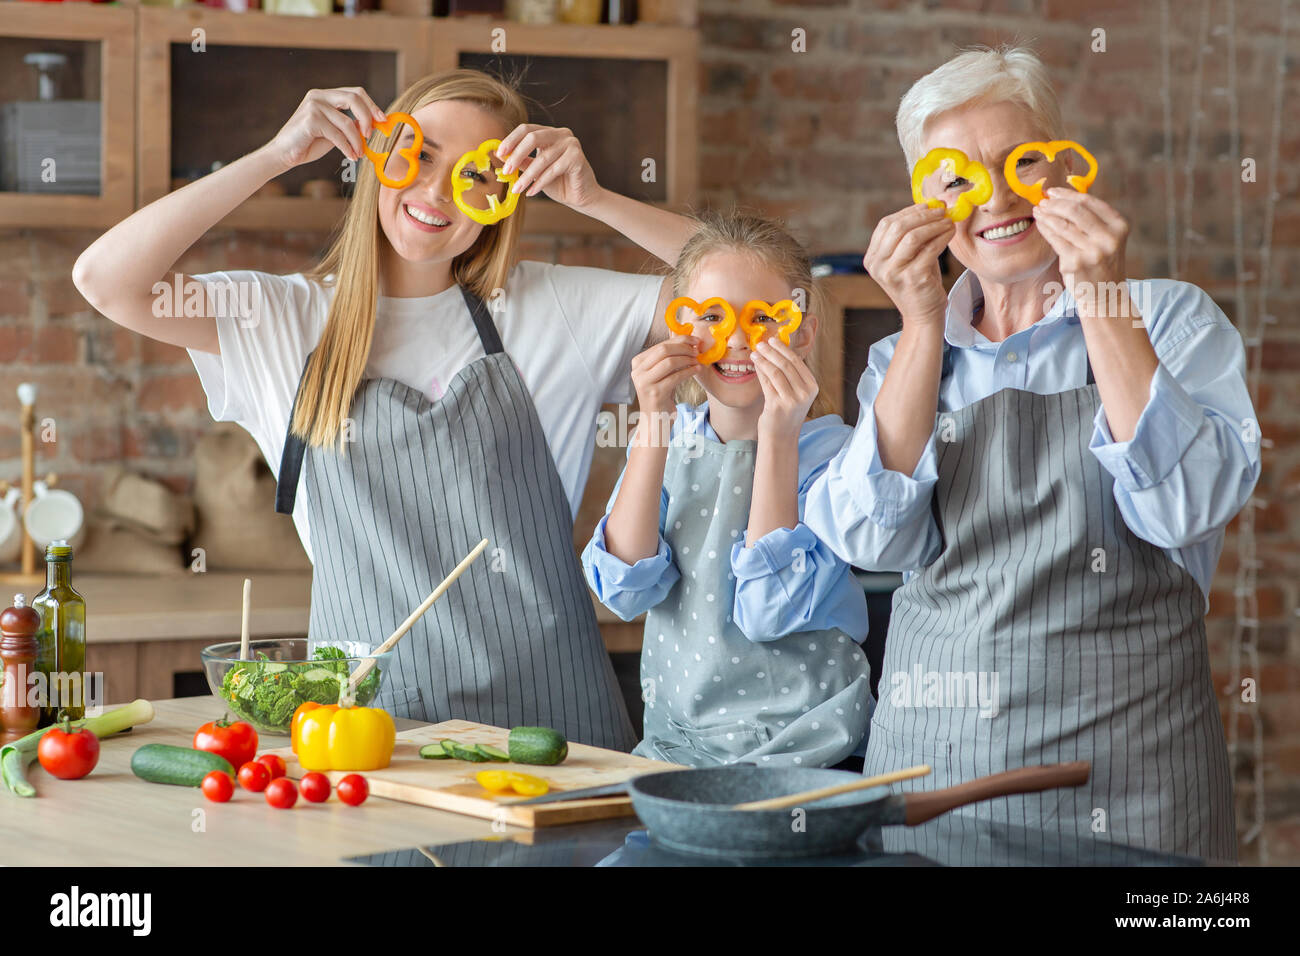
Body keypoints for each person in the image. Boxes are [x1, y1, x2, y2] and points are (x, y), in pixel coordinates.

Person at [73, 69, 696, 751]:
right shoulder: (284, 319)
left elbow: (767, 297)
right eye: (418, 153)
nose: (432, 191)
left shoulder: (557, 310)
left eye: (473, 173)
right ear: (373, 155)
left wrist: (597, 198)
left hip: (556, 739)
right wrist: (278, 155)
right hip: (372, 741)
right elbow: (104, 280)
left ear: (505, 194)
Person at [803, 47, 1258, 860]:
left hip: (1133, 777)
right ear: (926, 202)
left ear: (1066, 165)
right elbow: (868, 541)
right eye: (958, 178)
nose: (1000, 197)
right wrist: (917, 327)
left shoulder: (1171, 321)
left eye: (1022, 161)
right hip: (933, 771)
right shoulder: (906, 359)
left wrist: (1103, 297)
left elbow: (1185, 506)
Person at [583, 212, 873, 768]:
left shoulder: (836, 457)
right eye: (712, 316)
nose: (737, 339)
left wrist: (778, 436)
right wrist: (653, 422)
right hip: (678, 748)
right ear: (681, 329)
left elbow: (769, 611)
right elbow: (622, 592)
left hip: (812, 750)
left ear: (803, 332)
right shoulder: (669, 440)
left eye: (763, 317)